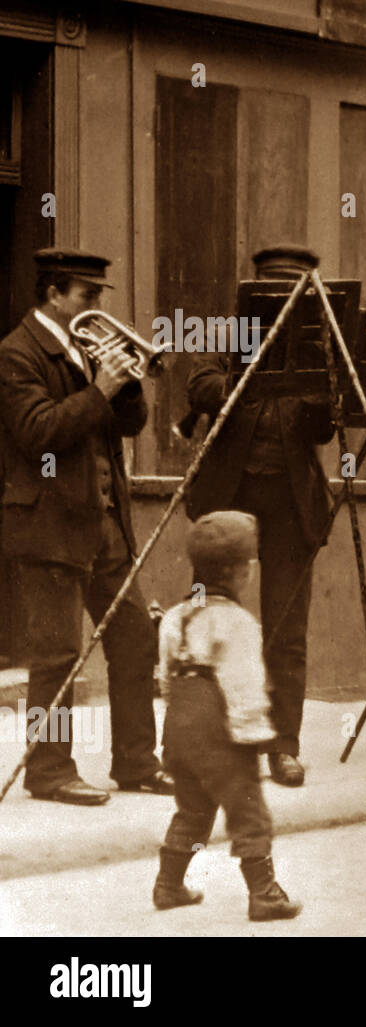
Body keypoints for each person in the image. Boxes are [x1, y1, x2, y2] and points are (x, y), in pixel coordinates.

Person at [0, 247, 170, 805]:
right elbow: (37, 432)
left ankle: (137, 762)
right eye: (87, 296)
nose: (97, 307)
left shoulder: (84, 348)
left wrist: (126, 383)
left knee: (135, 641)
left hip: (105, 523)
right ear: (53, 293)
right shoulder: (16, 353)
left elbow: (131, 423)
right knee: (56, 656)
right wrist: (98, 387)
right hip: (48, 524)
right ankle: (49, 771)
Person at [185, 244, 333, 788]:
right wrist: (246, 377)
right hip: (230, 499)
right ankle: (206, 733)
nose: (282, 302)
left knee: (286, 631)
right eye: (273, 291)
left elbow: (323, 430)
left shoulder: (317, 345)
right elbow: (197, 385)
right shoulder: (230, 335)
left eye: (292, 292)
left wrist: (322, 388)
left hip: (291, 506)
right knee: (211, 620)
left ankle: (283, 745)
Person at [152, 511, 300, 921]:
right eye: (250, 564)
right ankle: (264, 893)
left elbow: (165, 678)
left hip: (180, 727)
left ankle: (168, 885)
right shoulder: (238, 622)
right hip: (221, 727)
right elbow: (243, 683)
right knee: (247, 808)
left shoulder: (174, 617)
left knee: (193, 809)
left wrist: (176, 726)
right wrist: (254, 735)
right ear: (238, 572)